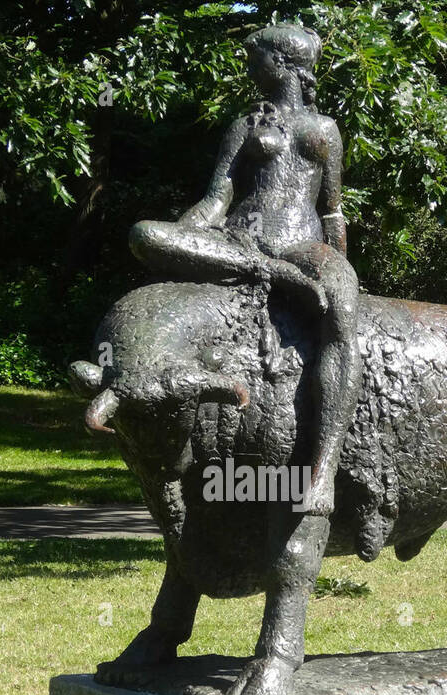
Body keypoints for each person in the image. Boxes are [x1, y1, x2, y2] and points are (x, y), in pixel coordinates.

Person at [129, 23, 359, 517]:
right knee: (146, 233)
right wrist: (185, 237)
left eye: (256, 58)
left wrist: (342, 265)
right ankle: (268, 271)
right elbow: (218, 198)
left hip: (303, 247)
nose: (249, 67)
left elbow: (333, 211)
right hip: (242, 243)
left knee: (343, 311)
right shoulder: (246, 124)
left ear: (283, 63)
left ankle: (323, 468)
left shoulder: (324, 130)